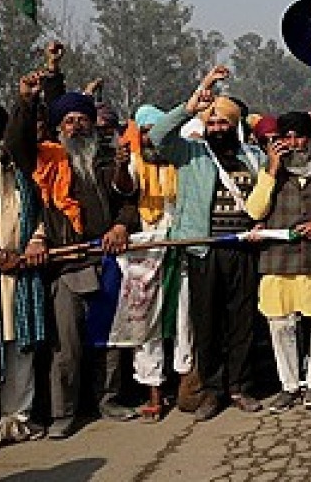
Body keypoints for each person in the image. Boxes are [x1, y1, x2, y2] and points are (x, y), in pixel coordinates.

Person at [7, 52, 140, 439]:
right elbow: (16, 143)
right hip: (66, 264)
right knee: (65, 346)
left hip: (107, 259)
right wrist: (27, 100)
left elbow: (128, 200)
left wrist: (121, 225)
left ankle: (108, 400)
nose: (76, 125)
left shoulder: (105, 158)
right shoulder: (46, 160)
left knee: (109, 339)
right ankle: (63, 413)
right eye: (69, 120)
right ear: (59, 127)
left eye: (82, 118)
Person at [149, 66, 267, 421]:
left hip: (243, 249)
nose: (217, 128)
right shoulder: (191, 153)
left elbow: (267, 195)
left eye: (223, 123)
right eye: (211, 123)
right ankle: (213, 390)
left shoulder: (254, 157)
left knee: (242, 320)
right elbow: (157, 136)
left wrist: (263, 223)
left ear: (234, 125)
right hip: (204, 249)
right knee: (207, 322)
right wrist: (190, 106)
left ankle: (240, 387)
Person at [245, 112, 311, 414]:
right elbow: (255, 211)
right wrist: (272, 170)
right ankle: (289, 386)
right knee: (280, 326)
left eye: (300, 136)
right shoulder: (268, 170)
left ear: (310, 138)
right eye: (287, 137)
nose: (294, 143)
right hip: (277, 259)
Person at [0, 102, 48, 452]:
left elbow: (39, 216)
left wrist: (36, 240)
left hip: (21, 275)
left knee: (21, 348)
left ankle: (17, 419)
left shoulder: (20, 175)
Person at [124, 104, 191, 422]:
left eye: (157, 132)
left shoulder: (181, 159)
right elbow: (124, 191)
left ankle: (186, 384)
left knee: (184, 318)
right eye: (146, 133)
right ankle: (153, 390)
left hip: (181, 245)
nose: (152, 139)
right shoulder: (132, 162)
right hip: (144, 250)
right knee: (145, 319)